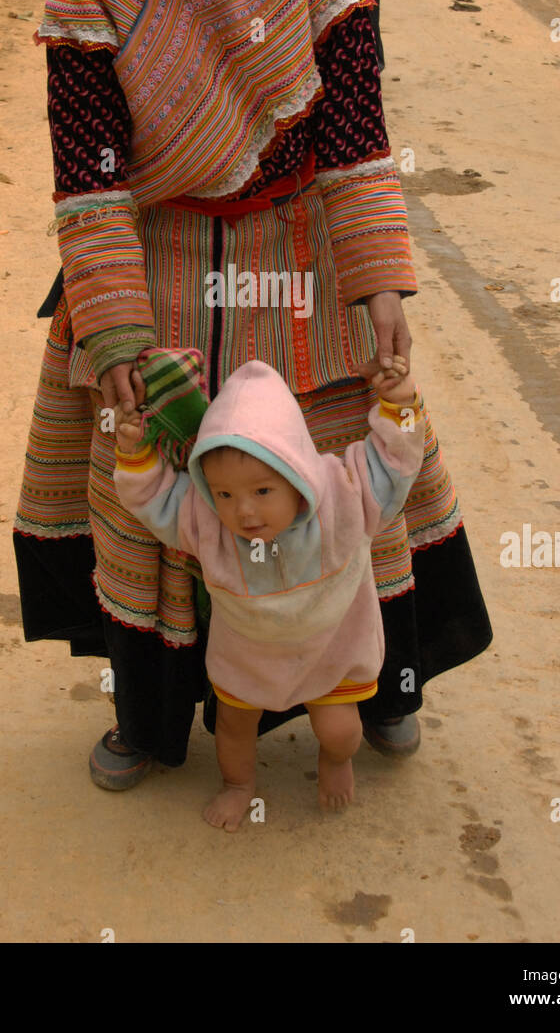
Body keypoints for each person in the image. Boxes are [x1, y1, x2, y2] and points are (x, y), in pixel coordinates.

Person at [13, 0, 491, 792]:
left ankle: (373, 687)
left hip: (299, 263)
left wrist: (377, 284)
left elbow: (357, 134)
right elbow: (89, 182)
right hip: (165, 265)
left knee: (335, 483)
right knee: (163, 478)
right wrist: (117, 333)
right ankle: (152, 714)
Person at [114, 354, 425, 826]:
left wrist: (399, 402)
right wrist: (135, 456)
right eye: (224, 494)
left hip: (332, 651)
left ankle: (336, 761)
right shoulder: (205, 521)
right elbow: (155, 500)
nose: (244, 512)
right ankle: (238, 785)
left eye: (262, 491)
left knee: (341, 733)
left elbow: (394, 465)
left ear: (297, 471)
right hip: (248, 658)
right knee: (233, 728)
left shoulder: (343, 498)